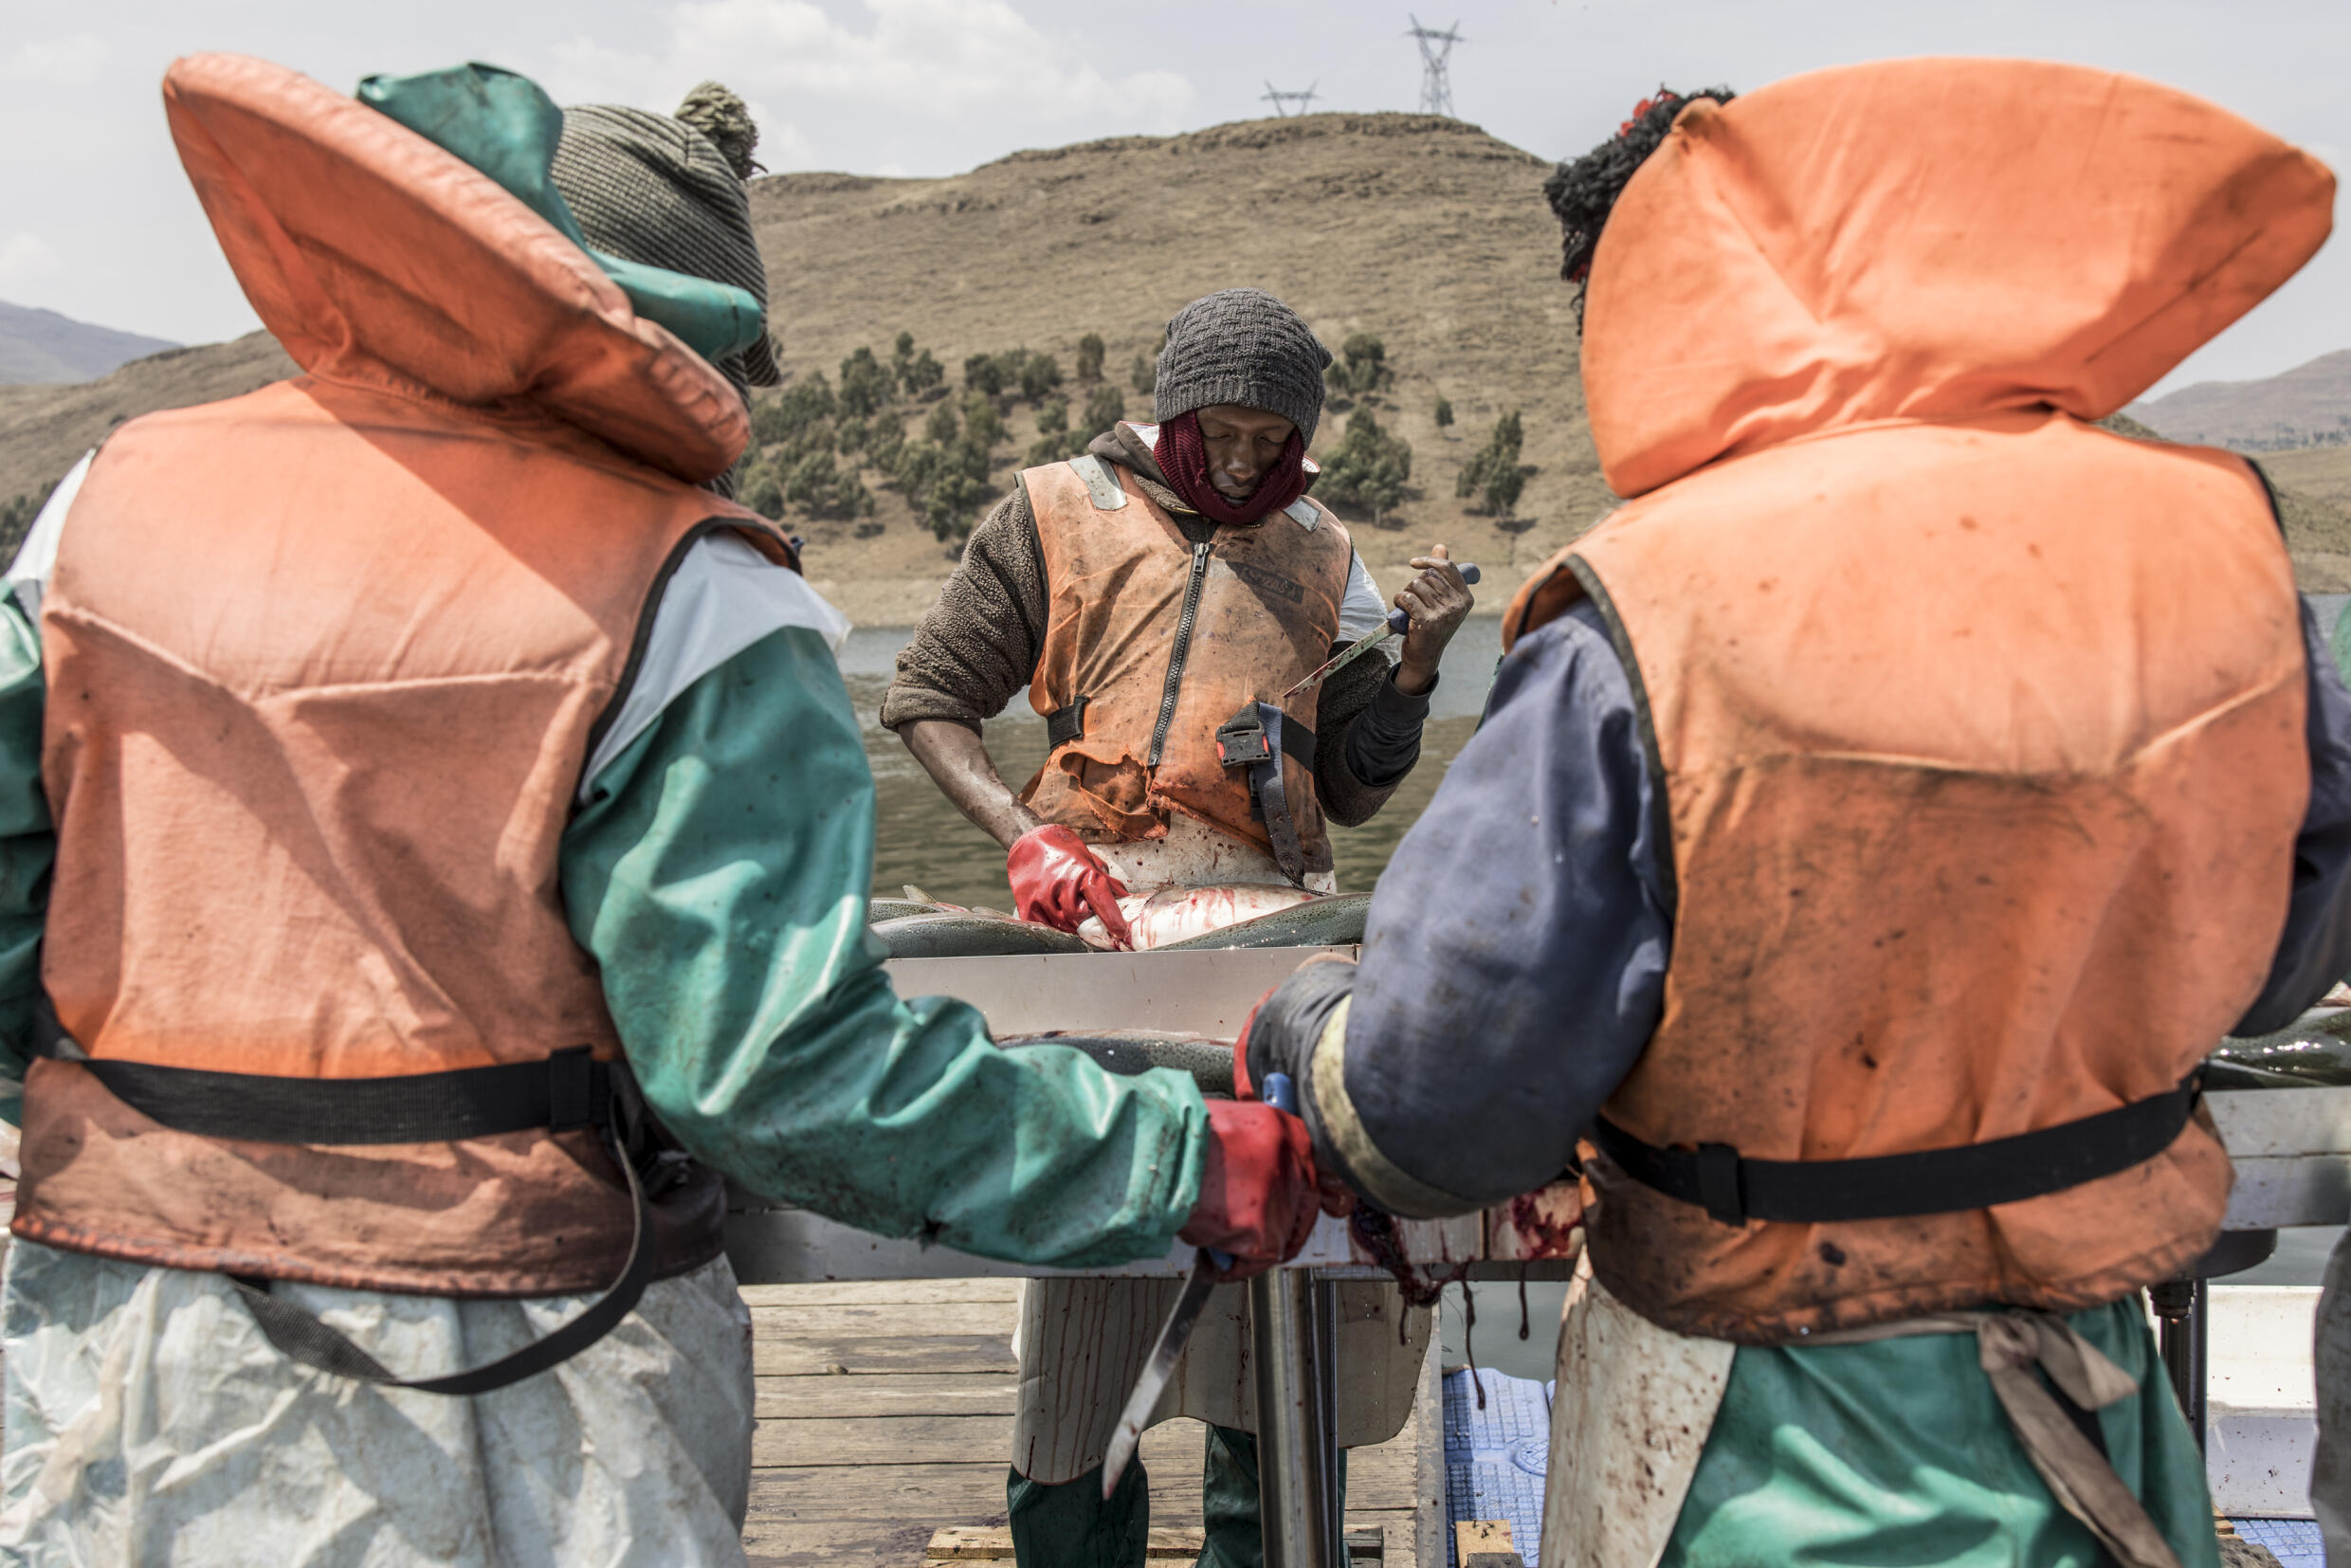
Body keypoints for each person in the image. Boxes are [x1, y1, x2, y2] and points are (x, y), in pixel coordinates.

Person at [0, 56, 1324, 1565]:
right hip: (522, 1366)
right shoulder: (697, 595)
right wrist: (1173, 1158)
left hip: (117, 1344)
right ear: (686, 340)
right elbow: (779, 1074)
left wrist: (157, 1131)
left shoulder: (103, 505)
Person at [1234, 62, 2345, 1568]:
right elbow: (2280, 962)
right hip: (2100, 1422)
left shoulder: (1649, 613)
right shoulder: (2208, 543)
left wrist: (1310, 1018)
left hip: (1762, 1435)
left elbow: (1443, 1103)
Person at [881, 289, 1472, 1562]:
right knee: (1090, 1303)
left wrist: (1416, 671)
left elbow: (1352, 787)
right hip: (1093, 924)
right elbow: (928, 698)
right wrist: (1026, 837)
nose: (1249, 463)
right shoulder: (1054, 513)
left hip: (1271, 933)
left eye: (1276, 440)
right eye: (1224, 434)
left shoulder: (1327, 554)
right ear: (1171, 416)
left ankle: (1264, 1522)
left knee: (1281, 1308)